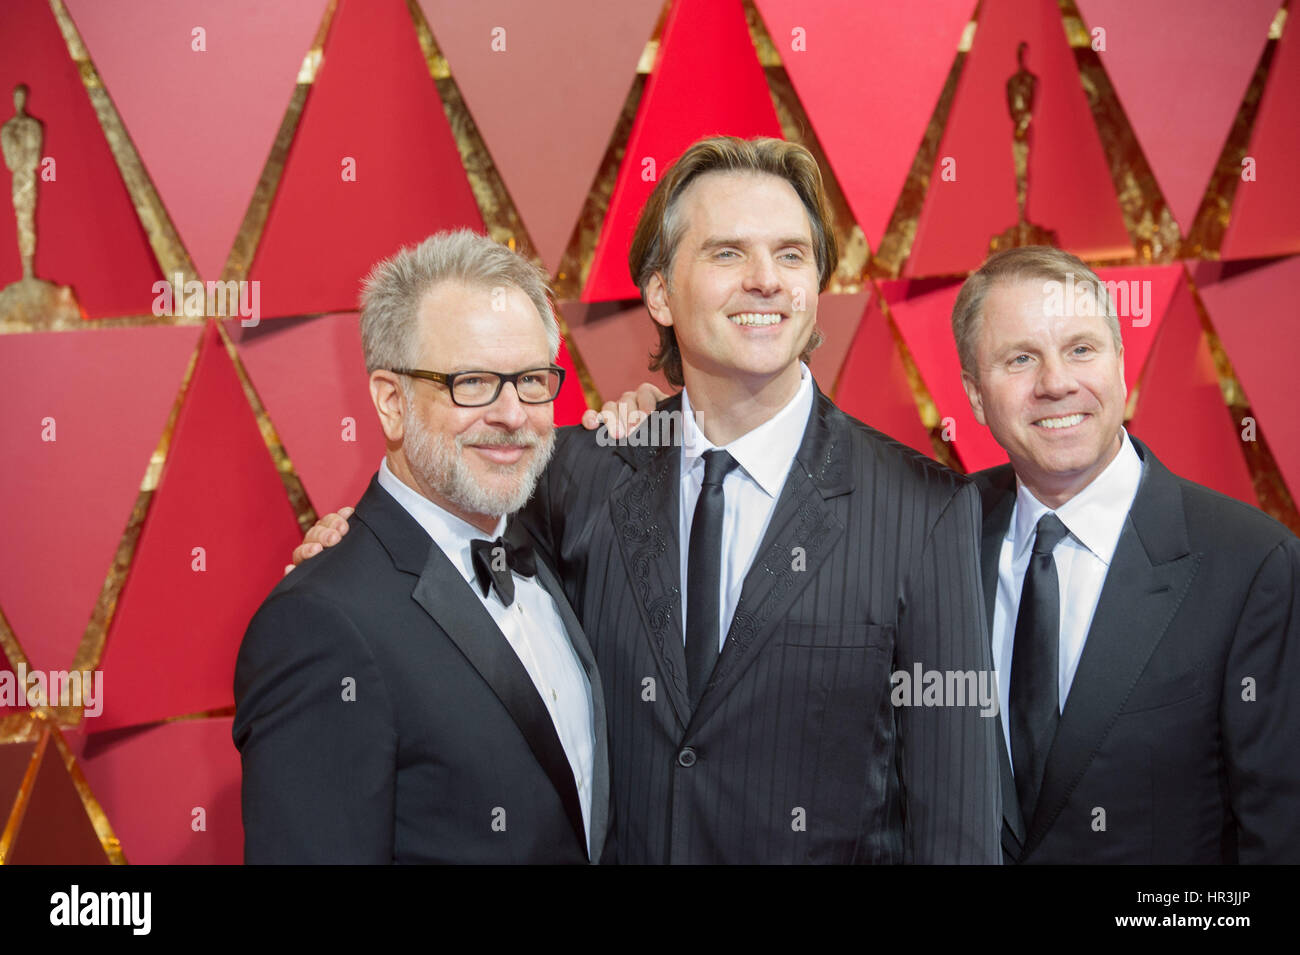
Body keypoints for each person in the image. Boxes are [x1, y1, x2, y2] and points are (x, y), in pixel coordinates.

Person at [297, 137, 1001, 864]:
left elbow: (957, 826)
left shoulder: (926, 510)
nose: (766, 279)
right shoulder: (575, 472)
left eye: (792, 255)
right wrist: (351, 552)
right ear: (660, 291)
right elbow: (441, 535)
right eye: (728, 253)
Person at [234, 230, 609, 864]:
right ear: (390, 403)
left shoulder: (548, 539)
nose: (513, 414)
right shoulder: (321, 624)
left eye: (531, 380)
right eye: (472, 382)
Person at [955, 246, 1300, 863]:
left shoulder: (1253, 565)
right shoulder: (939, 537)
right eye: (1020, 358)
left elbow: (1279, 837)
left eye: (1081, 349)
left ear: (1121, 365)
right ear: (976, 397)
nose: (1056, 382)